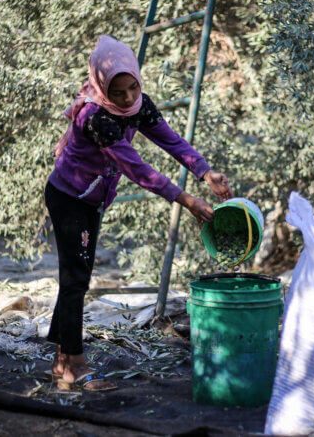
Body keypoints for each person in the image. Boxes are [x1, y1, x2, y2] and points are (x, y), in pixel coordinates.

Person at [45, 35, 233, 390]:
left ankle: (61, 361)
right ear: (103, 88)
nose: (129, 98)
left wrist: (205, 172)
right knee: (76, 280)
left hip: (90, 200)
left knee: (77, 278)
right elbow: (137, 169)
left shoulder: (138, 105)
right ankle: (75, 364)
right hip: (69, 198)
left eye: (133, 87)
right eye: (118, 93)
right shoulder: (95, 116)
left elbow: (170, 140)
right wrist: (187, 200)